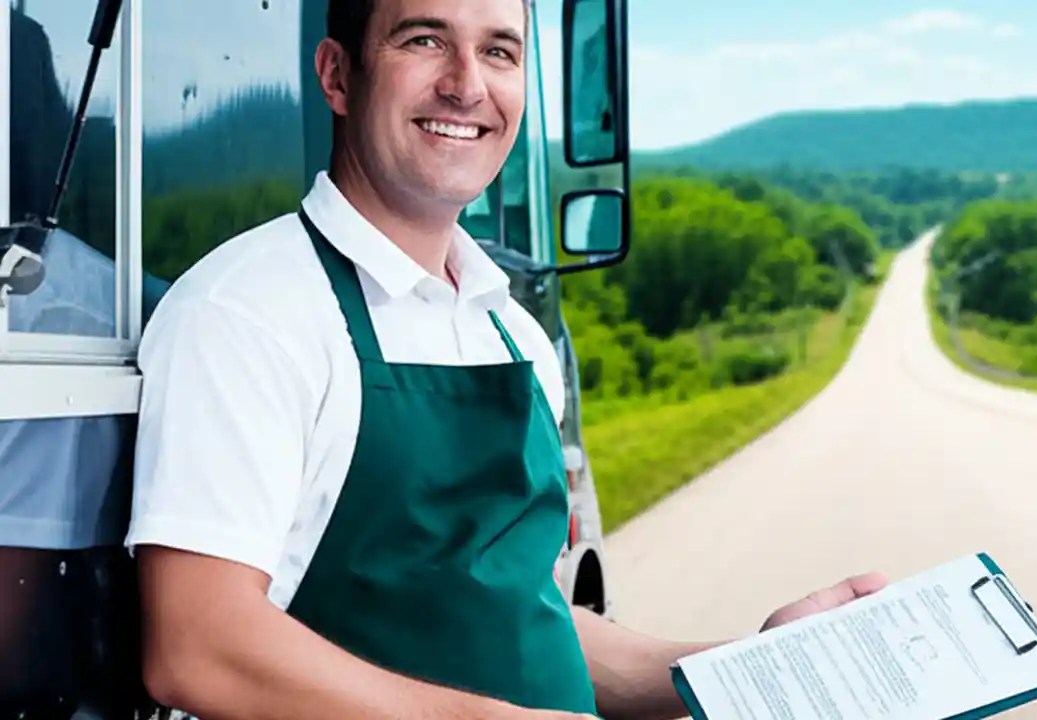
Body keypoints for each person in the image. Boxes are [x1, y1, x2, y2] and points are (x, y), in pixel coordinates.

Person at [124, 1, 889, 718]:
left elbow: (533, 624)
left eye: (499, 52)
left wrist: (758, 667)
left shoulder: (511, 333)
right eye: (424, 40)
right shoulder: (247, 311)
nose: (466, 86)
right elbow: (199, 645)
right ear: (336, 76)